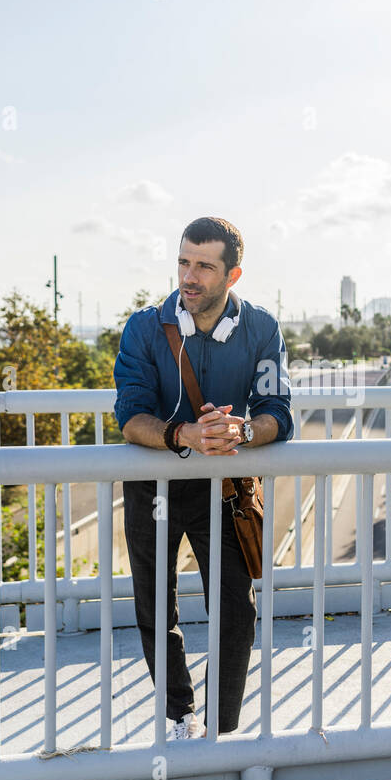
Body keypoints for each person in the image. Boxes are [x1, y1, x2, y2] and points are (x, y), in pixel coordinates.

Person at [113, 216, 293, 738]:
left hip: (225, 488)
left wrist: (240, 432)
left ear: (232, 275)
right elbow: (130, 416)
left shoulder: (261, 328)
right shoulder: (144, 327)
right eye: (183, 262)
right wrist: (187, 435)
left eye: (204, 267)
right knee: (154, 606)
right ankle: (178, 717)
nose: (189, 277)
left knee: (237, 609)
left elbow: (278, 412)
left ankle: (223, 730)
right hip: (153, 489)